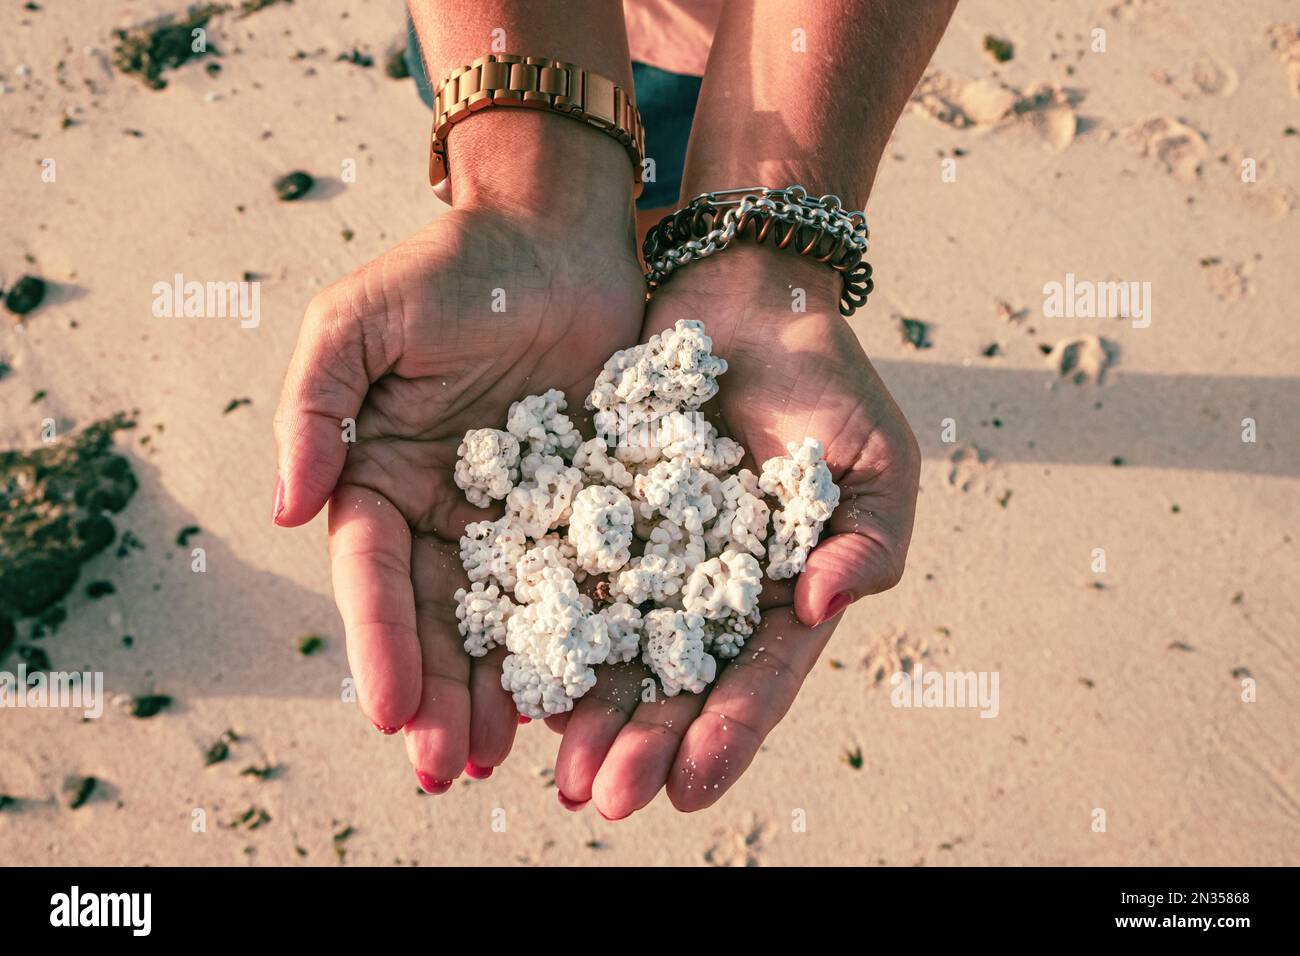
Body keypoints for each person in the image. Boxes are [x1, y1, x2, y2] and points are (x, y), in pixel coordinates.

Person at [272, 0, 955, 819]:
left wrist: (763, 261)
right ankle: (616, 249)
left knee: (679, 222)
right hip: (501, 31)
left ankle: (659, 266)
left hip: (778, 58)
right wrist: (528, 186)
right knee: (619, 220)